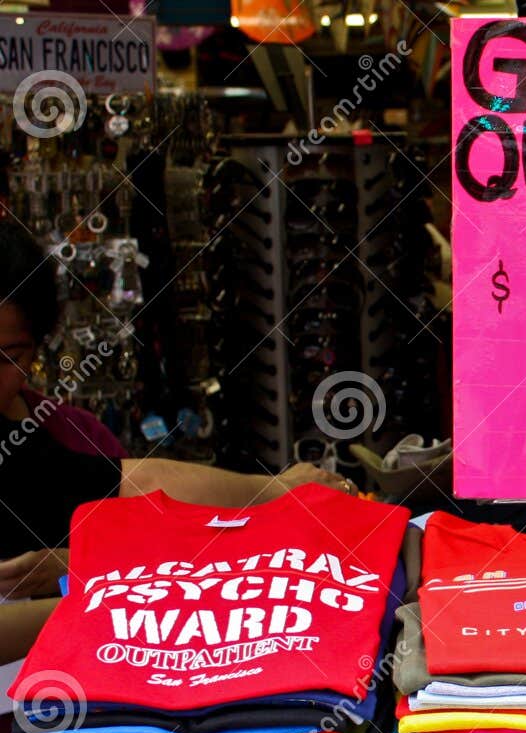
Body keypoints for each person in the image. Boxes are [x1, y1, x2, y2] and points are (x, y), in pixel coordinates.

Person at [0, 214, 355, 602]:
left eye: (8, 358)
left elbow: (142, 502)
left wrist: (85, 565)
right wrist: (88, 567)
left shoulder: (74, 435)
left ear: (38, 346)